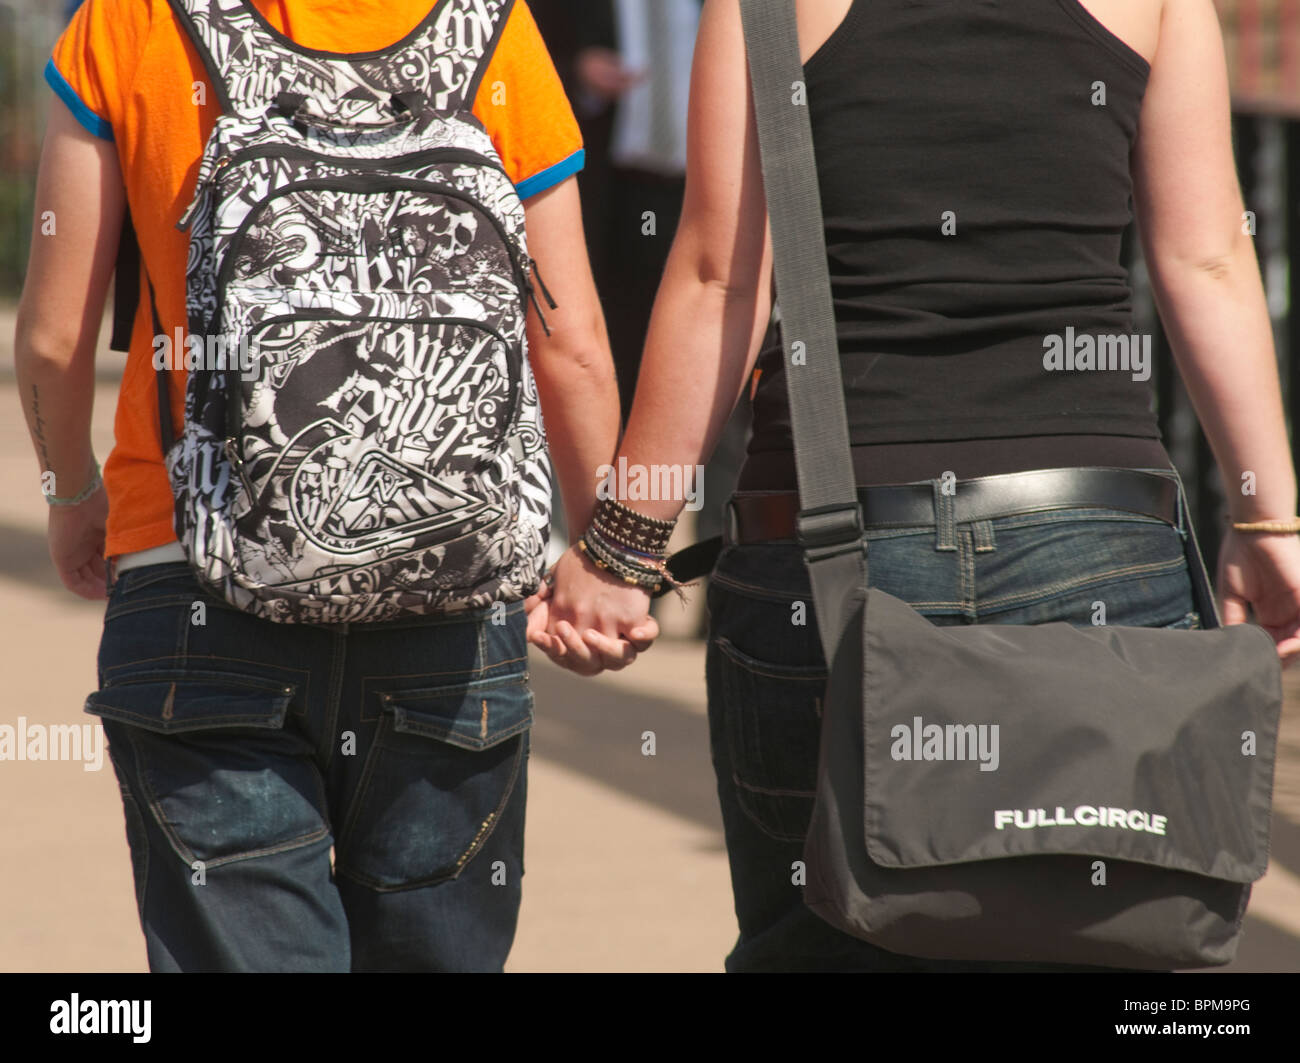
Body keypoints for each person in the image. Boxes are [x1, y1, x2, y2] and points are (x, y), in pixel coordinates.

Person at [528, 0, 1300, 970]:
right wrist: (1268, 514)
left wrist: (620, 548)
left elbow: (722, 272)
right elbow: (1206, 258)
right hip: (1094, 541)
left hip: (828, 551)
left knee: (819, 946)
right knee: (1107, 940)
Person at [15, 0, 654, 972]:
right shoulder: (489, 28)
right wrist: (604, 564)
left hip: (193, 584)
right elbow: (571, 345)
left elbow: (54, 337)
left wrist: (71, 494)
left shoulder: (132, 19)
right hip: (448, 601)